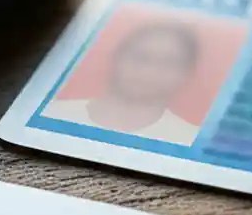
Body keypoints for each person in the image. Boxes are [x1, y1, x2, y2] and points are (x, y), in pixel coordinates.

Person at [43, 22, 202, 145]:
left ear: (186, 73)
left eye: (169, 63)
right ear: (116, 58)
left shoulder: (190, 138)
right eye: (141, 57)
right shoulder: (53, 112)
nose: (149, 72)